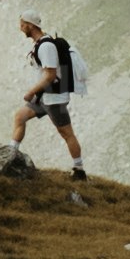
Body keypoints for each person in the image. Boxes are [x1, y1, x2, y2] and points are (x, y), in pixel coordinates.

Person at [14, 17, 90, 179]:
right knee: (20, 117)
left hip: (55, 98)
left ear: (30, 25)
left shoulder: (46, 46)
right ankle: (11, 155)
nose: (20, 28)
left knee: (66, 133)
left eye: (22, 25)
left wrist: (31, 92)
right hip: (45, 96)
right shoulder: (40, 43)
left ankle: (79, 170)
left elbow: (50, 75)